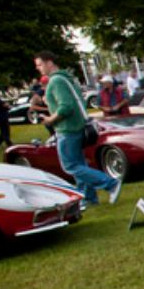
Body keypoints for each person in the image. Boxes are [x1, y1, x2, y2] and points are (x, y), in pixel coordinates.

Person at [38, 50, 122, 205]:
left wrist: (50, 119)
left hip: (67, 129)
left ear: (49, 63)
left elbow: (66, 107)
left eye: (40, 64)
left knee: (70, 166)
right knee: (79, 164)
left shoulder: (56, 81)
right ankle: (88, 198)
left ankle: (110, 183)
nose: (39, 68)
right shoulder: (66, 79)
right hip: (77, 127)